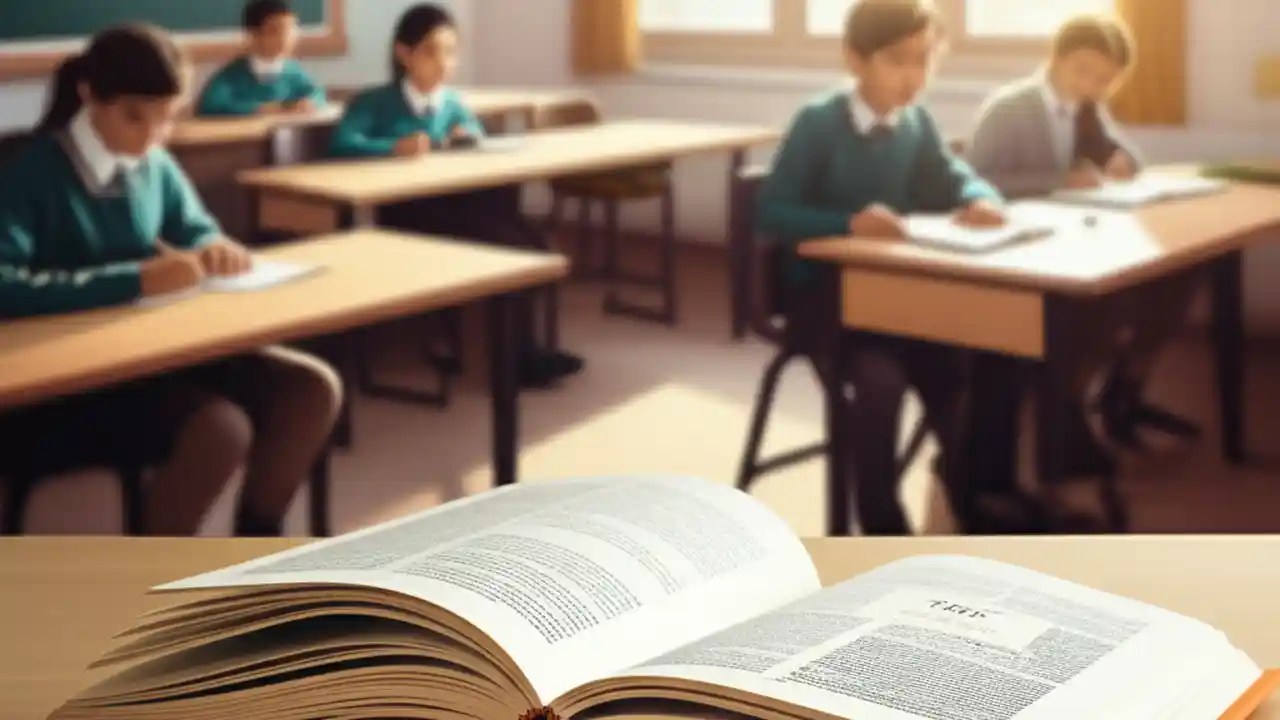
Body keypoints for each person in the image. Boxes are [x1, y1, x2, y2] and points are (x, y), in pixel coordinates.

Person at [0, 25, 341, 537]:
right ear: (89, 95)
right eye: (135, 116)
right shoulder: (30, 171)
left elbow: (193, 226)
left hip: (154, 352)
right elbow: (5, 284)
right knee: (221, 430)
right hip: (69, 378)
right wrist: (133, 280)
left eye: (167, 117)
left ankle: (254, 541)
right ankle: (156, 572)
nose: (153, 134)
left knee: (310, 390)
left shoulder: (154, 163)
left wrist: (212, 245)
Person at [757, 0, 1006, 535]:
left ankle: (973, 497)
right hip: (824, 299)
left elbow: (954, 177)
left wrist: (979, 197)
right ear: (855, 59)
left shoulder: (916, 122)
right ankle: (882, 525)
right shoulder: (818, 122)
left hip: (897, 296)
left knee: (966, 362)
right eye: (897, 60)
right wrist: (847, 223)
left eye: (925, 60)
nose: (914, 76)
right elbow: (771, 210)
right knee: (881, 382)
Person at [967, 14, 1201, 506]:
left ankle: (1122, 390)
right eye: (1083, 71)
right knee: (1097, 307)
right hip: (1023, 251)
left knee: (1174, 277)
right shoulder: (1011, 107)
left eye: (1104, 80)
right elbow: (979, 180)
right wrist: (1057, 179)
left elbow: (1130, 158)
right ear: (1055, 58)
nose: (1091, 85)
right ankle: (1068, 410)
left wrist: (1123, 160)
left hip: (1078, 241)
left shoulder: (1089, 110)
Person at [331, 2, 583, 388]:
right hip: (409, 213)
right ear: (404, 54)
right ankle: (515, 360)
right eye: (432, 52)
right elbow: (342, 142)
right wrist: (392, 147)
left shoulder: (450, 103)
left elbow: (476, 135)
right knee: (511, 245)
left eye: (451, 52)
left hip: (455, 204)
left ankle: (522, 350)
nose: (444, 63)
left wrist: (470, 138)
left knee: (530, 243)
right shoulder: (375, 101)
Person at [197, 0, 326, 117]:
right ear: (253, 35)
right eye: (276, 30)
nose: (286, 37)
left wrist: (310, 103)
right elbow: (210, 106)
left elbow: (317, 94)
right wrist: (256, 109)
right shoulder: (233, 74)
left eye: (292, 28)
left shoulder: (292, 72)